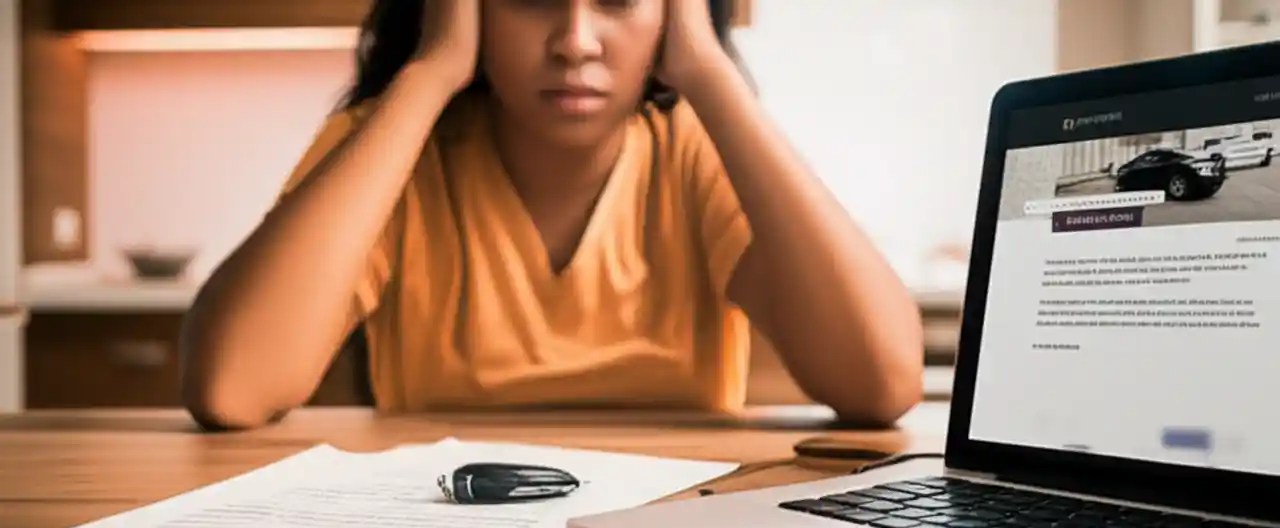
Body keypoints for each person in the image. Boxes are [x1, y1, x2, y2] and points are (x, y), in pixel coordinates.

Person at [180, 0, 923, 430]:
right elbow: (231, 389)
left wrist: (708, 69)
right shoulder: (392, 151)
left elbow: (882, 384)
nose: (575, 42)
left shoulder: (696, 151)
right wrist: (431, 70)